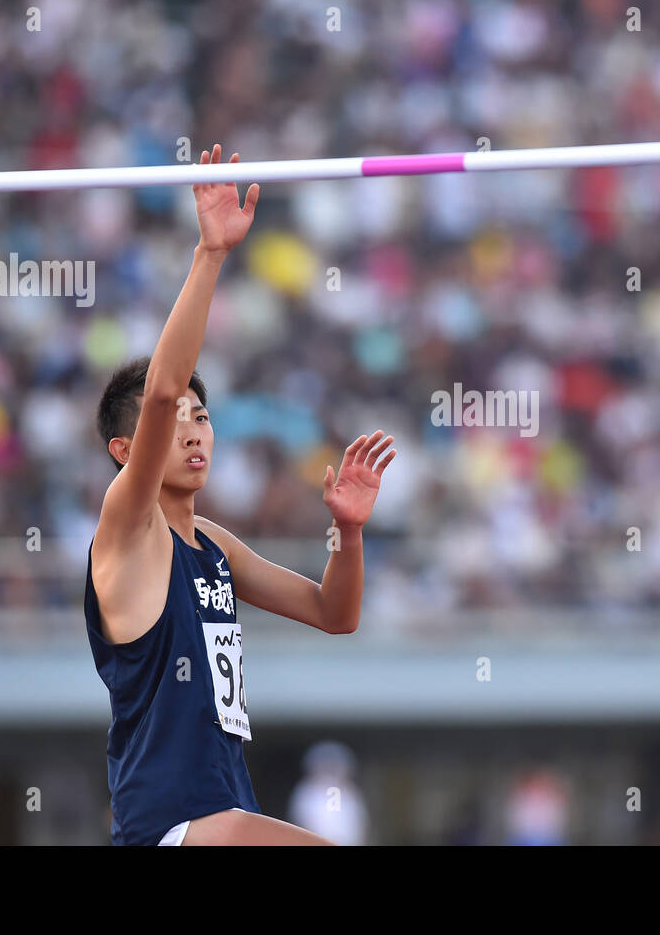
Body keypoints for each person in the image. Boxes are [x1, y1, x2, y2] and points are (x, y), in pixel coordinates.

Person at [83, 145, 395, 845]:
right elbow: (163, 389)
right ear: (126, 454)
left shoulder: (215, 546)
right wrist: (211, 253)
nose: (194, 431)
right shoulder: (127, 526)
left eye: (204, 418)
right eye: (176, 423)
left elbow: (334, 613)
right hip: (171, 827)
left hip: (221, 816)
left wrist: (346, 533)